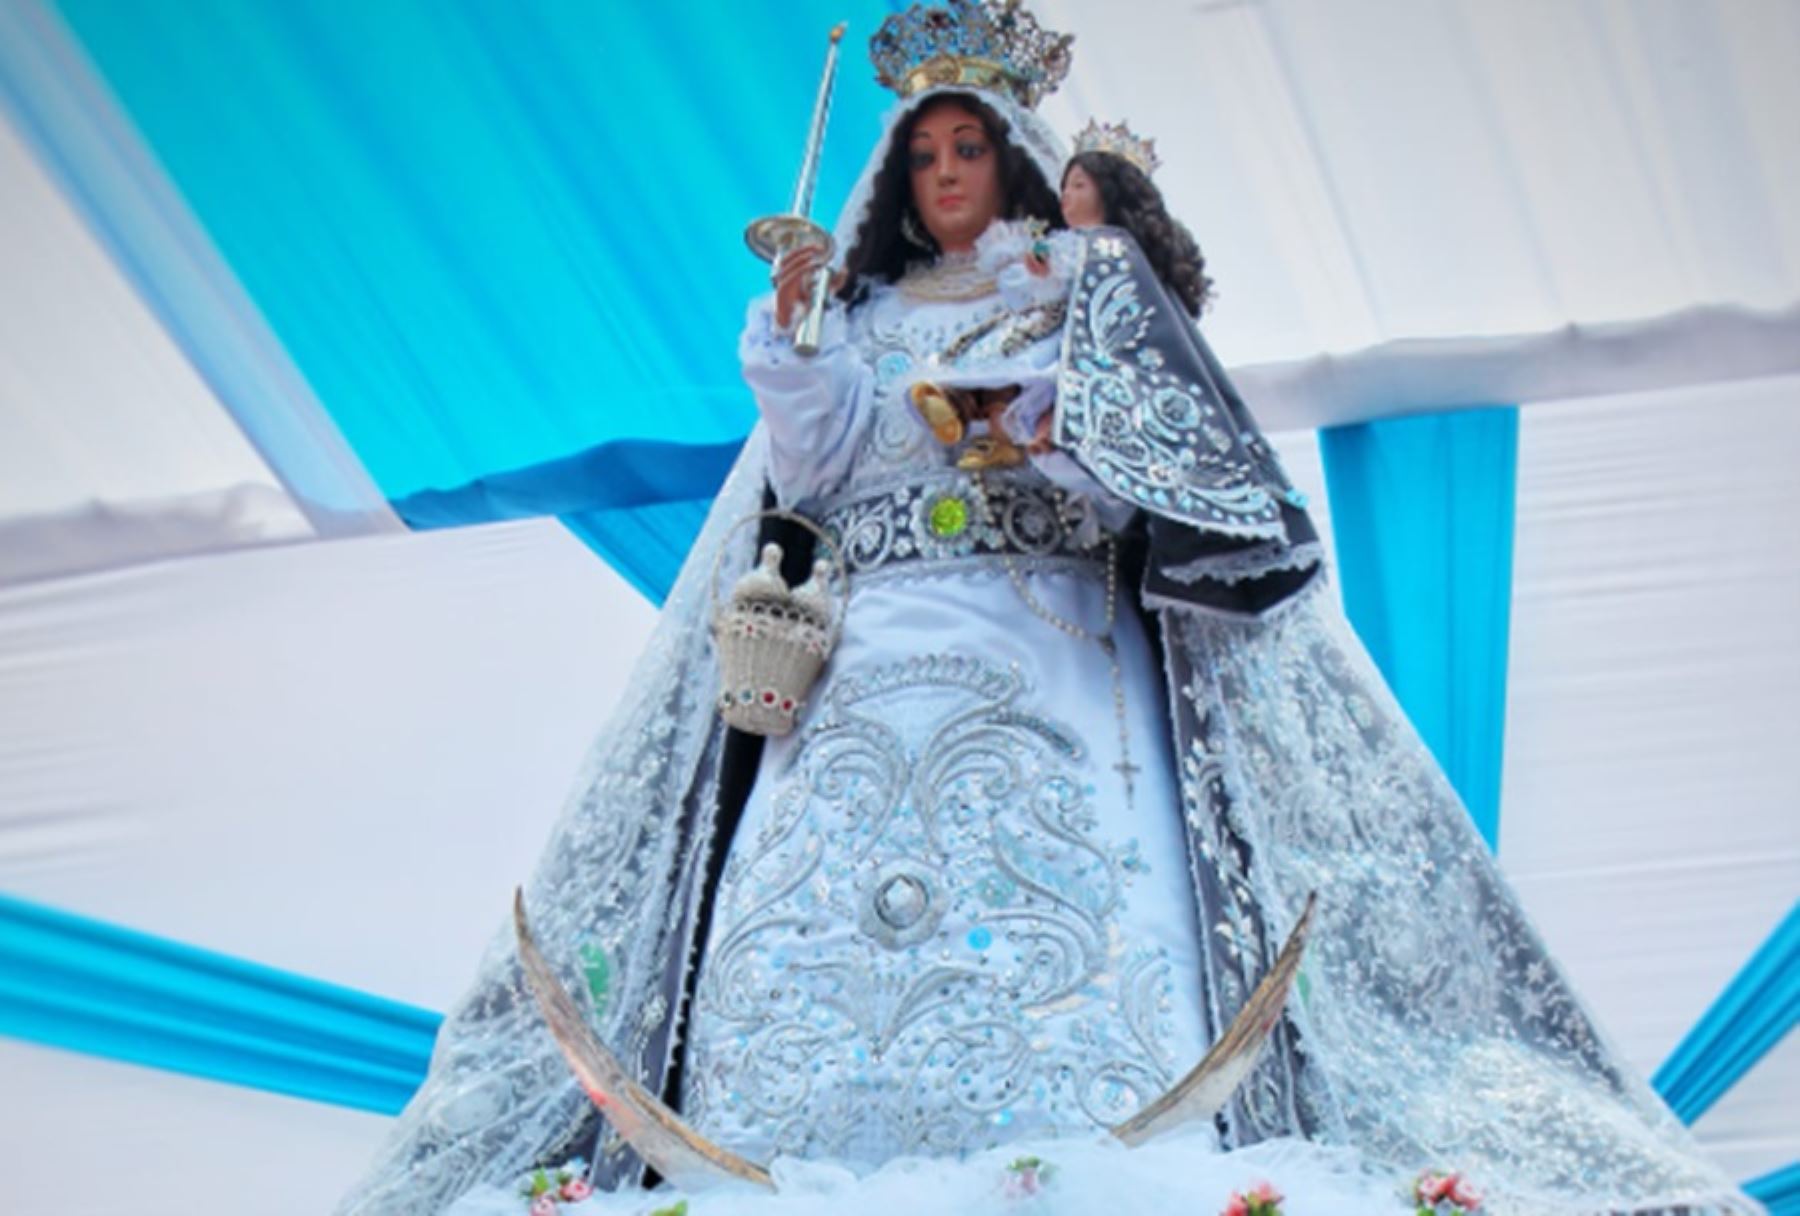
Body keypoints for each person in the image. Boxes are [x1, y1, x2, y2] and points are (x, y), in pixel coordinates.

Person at [340, 6, 1762, 1214]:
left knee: (1068, 903)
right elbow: (814, 461)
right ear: (897, 176)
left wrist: (1046, 431)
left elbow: (1167, 445)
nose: (950, 173)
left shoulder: (1084, 285)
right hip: (860, 664)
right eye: (927, 154)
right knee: (811, 924)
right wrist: (790, 333)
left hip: (1052, 641)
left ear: (1010, 162)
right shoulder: (865, 307)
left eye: (971, 149)